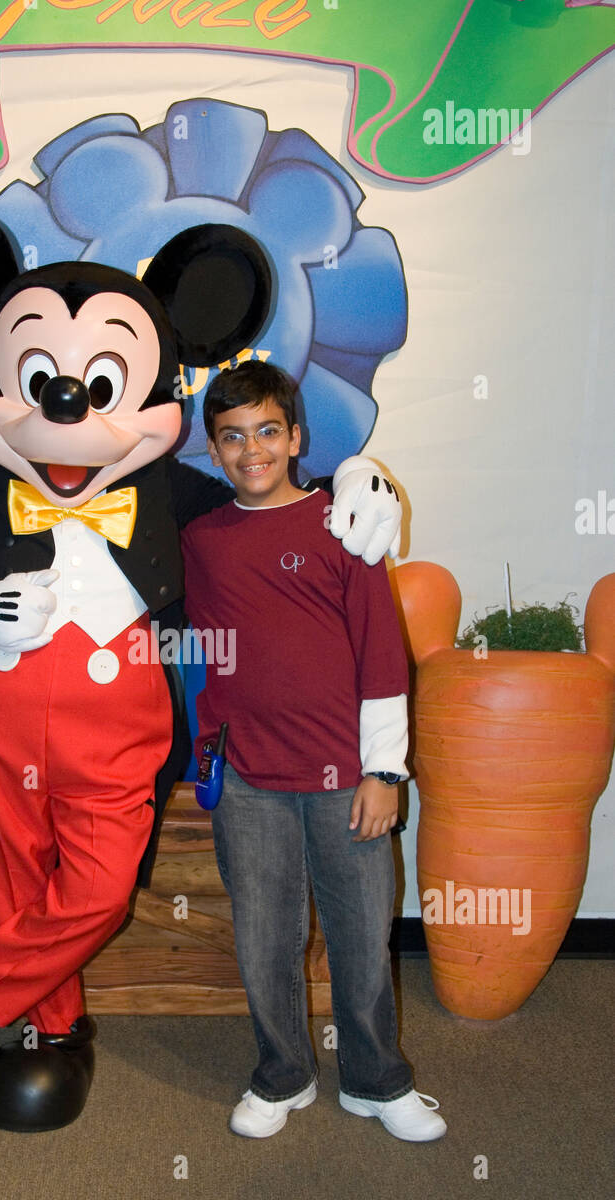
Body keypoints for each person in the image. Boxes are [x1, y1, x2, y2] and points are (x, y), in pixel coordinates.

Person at [180, 360, 446, 1142]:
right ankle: (283, 1073)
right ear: (213, 450)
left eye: (267, 430)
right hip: (248, 779)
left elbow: (381, 654)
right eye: (231, 437)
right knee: (264, 936)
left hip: (347, 780)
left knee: (363, 933)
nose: (251, 450)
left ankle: (375, 1080)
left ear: (295, 436)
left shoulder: (345, 524)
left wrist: (385, 771)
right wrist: (205, 752)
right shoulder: (200, 539)